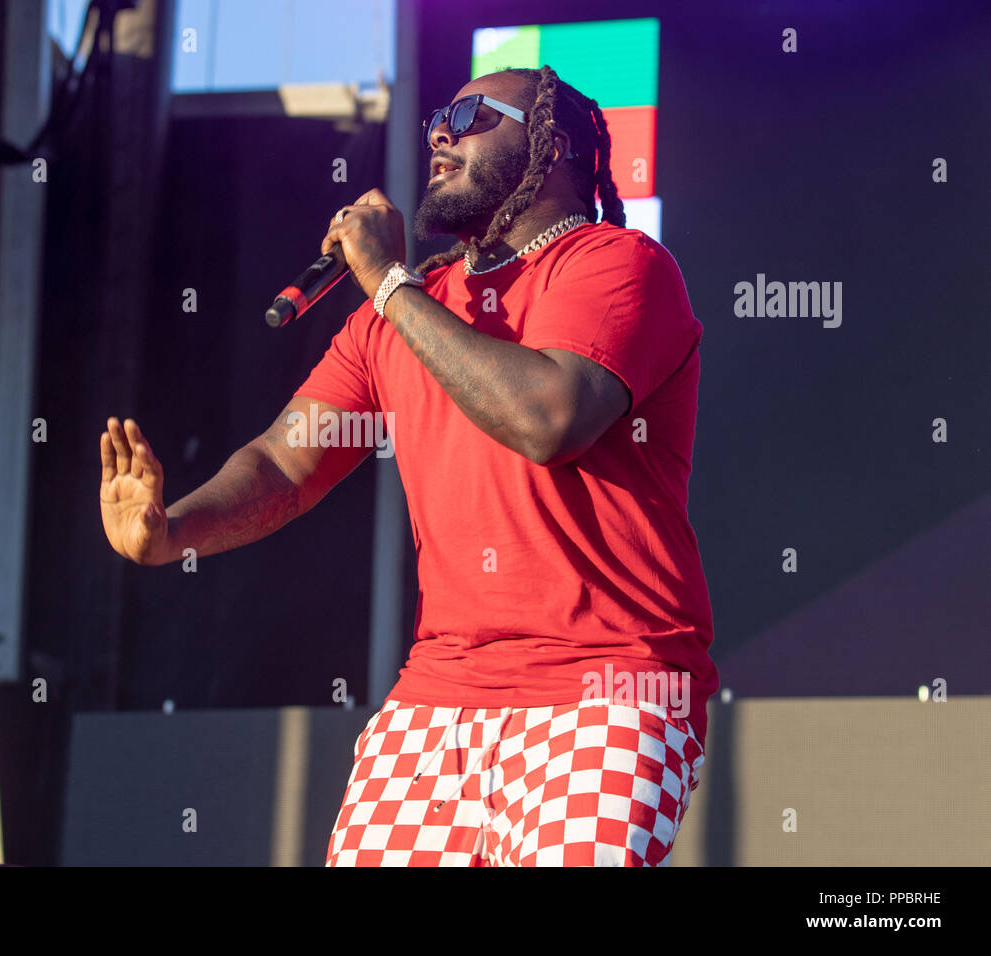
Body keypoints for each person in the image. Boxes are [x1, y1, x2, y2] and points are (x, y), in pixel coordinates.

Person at [99, 65, 718, 866]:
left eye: (469, 114)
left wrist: (389, 284)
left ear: (552, 144)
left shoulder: (616, 265)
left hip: (609, 691)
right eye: (436, 116)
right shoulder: (402, 312)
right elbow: (286, 464)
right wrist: (169, 533)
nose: (440, 133)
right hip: (438, 697)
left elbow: (547, 419)